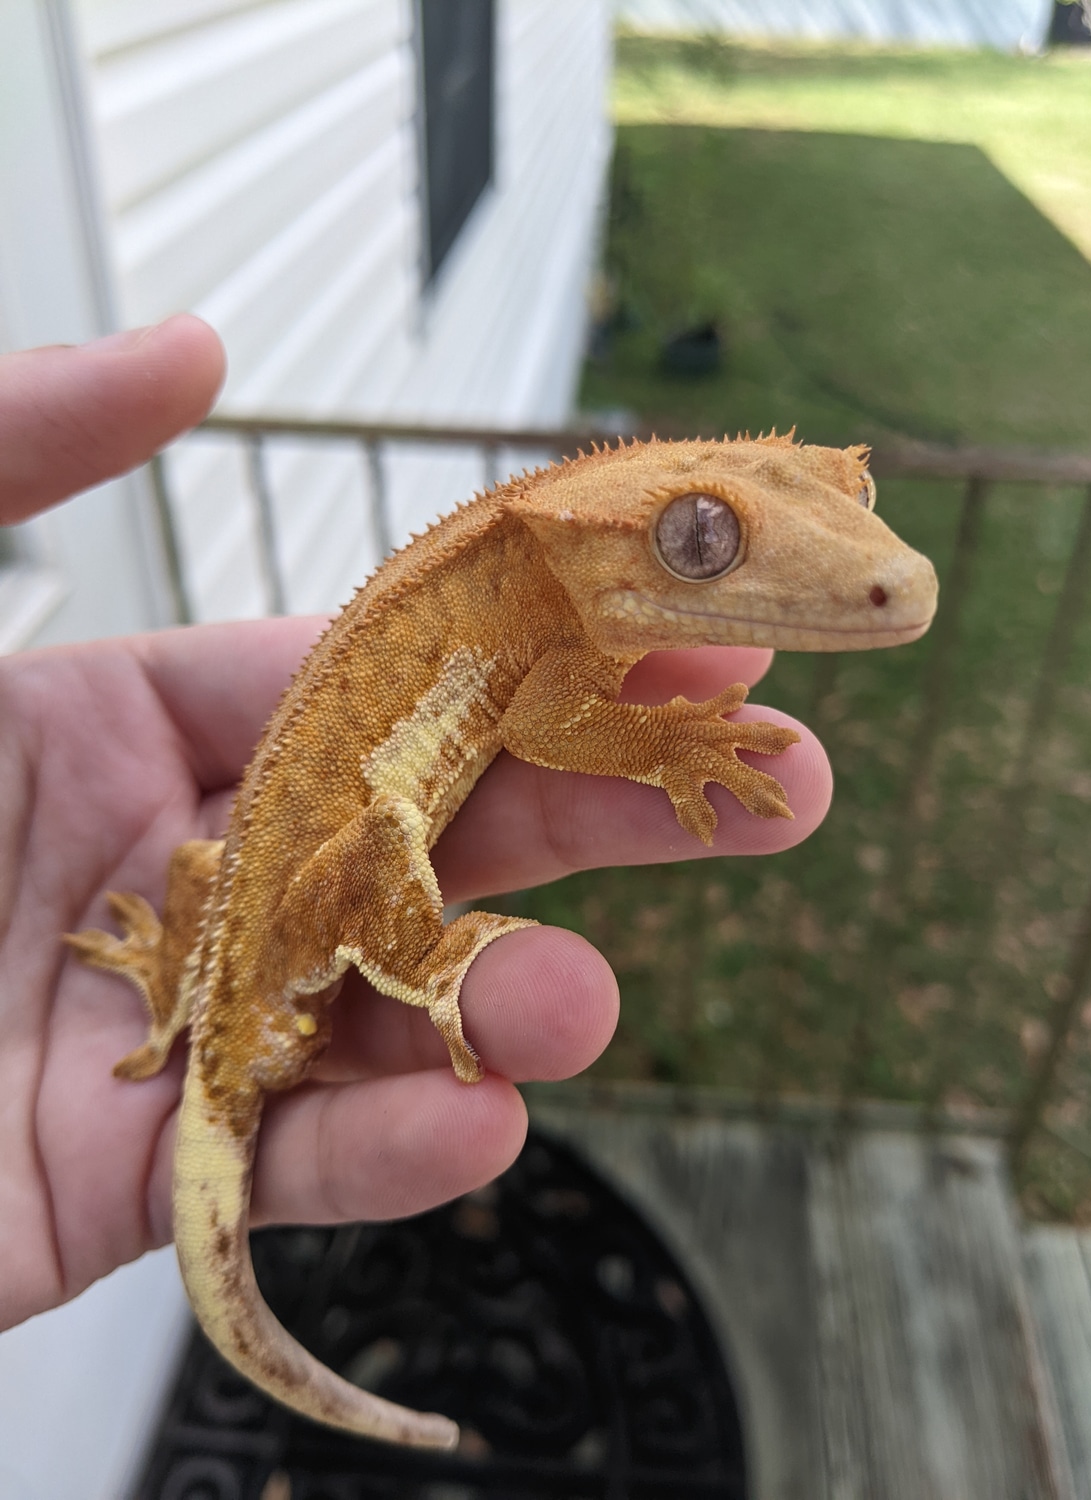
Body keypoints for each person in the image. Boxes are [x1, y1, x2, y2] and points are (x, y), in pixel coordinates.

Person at [0, 314, 832, 1334]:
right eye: (701, 541)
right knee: (377, 840)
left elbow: (539, 711)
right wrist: (666, 748)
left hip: (256, 942)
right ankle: (422, 965)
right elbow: (543, 720)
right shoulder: (562, 625)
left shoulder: (564, 610)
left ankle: (183, 992)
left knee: (204, 860)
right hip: (283, 978)